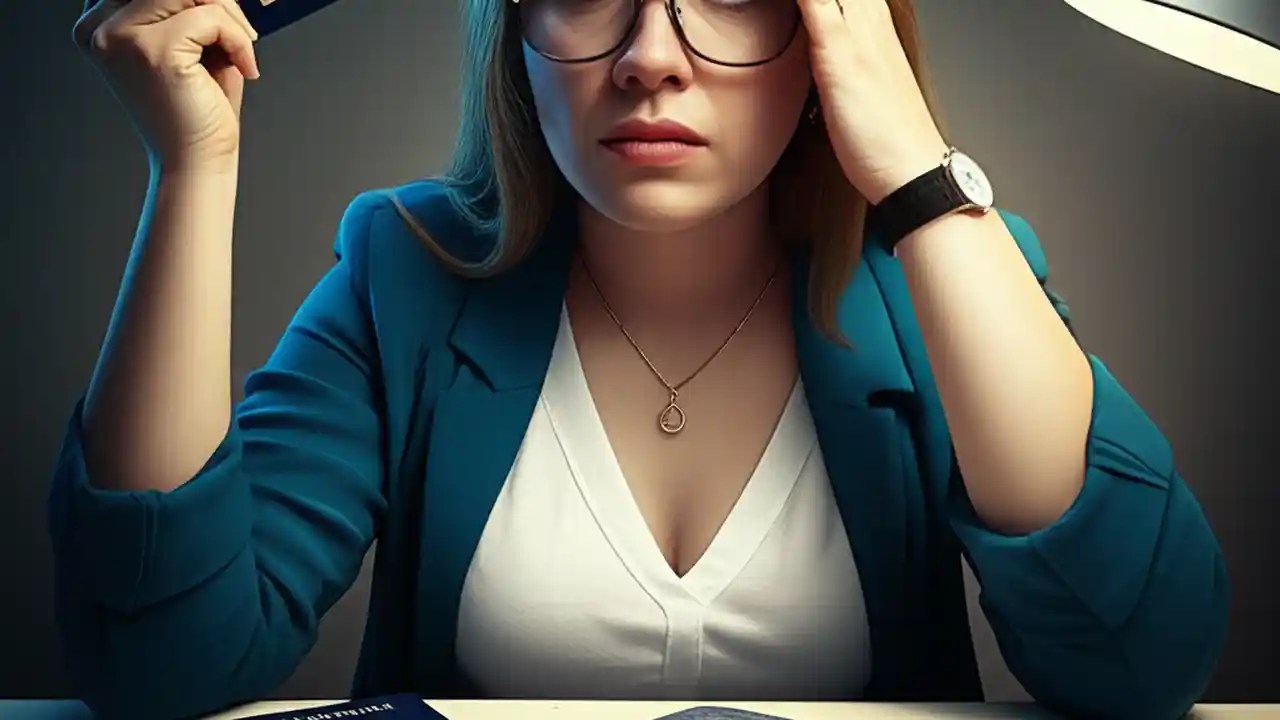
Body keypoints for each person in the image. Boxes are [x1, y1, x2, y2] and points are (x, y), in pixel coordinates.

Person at [50, 0, 1228, 718]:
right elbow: (160, 665)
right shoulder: (401, 271)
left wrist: (919, 179)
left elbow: (1140, 665)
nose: (648, 58)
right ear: (511, 29)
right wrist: (190, 169)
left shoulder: (940, 276)